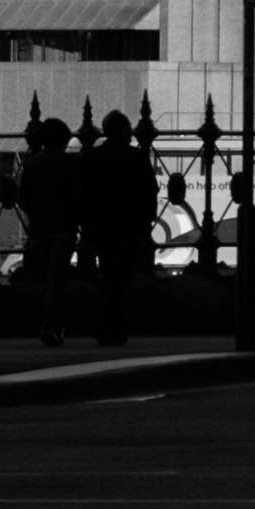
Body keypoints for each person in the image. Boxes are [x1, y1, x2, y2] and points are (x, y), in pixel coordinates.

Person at [84, 108, 143, 347]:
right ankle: (117, 327)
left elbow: (85, 191)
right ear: (123, 130)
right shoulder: (136, 157)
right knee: (122, 279)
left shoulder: (93, 157)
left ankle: (105, 327)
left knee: (107, 276)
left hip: (102, 225)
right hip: (128, 225)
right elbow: (148, 191)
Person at [23, 110, 79, 345]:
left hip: (40, 227)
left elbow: (23, 198)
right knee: (58, 279)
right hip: (64, 227)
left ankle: (46, 324)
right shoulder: (70, 164)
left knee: (43, 278)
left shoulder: (32, 164)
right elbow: (77, 197)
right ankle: (53, 324)